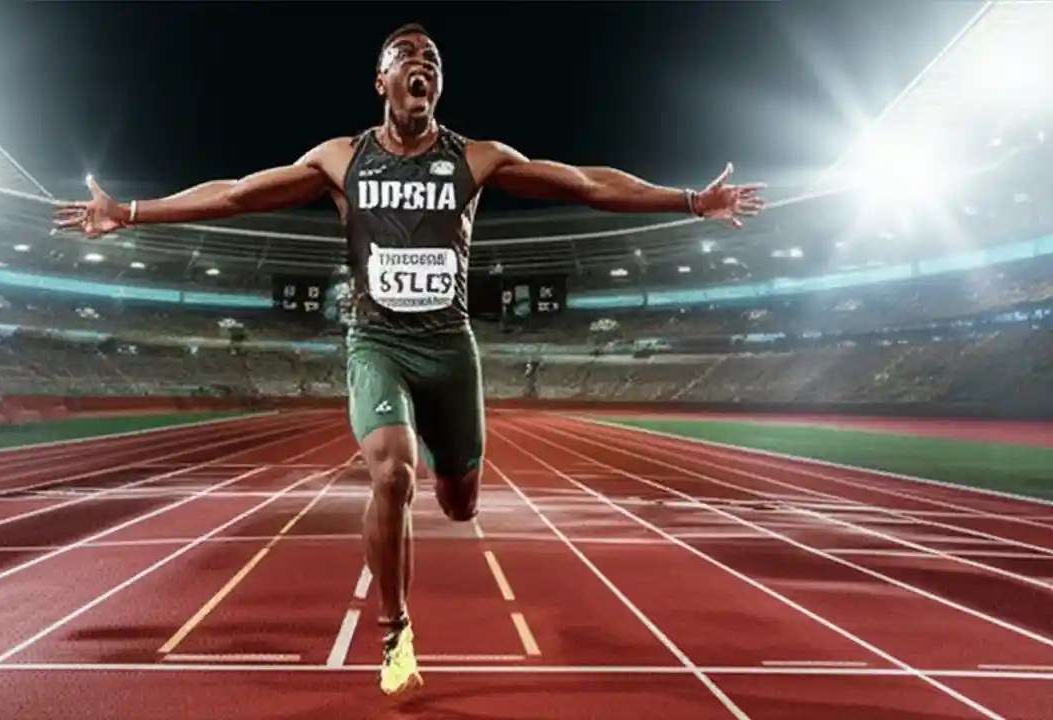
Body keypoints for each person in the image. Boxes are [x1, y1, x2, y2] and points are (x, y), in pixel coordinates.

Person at [55, 22, 765, 697]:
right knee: (390, 471)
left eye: (433, 59)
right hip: (378, 343)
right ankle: (395, 635)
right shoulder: (341, 159)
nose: (423, 63)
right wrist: (133, 212)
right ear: (381, 80)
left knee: (458, 506)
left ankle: (444, 469)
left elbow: (583, 183)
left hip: (451, 349)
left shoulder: (475, 157)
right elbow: (238, 192)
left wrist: (690, 201)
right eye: (407, 54)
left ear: (437, 85)